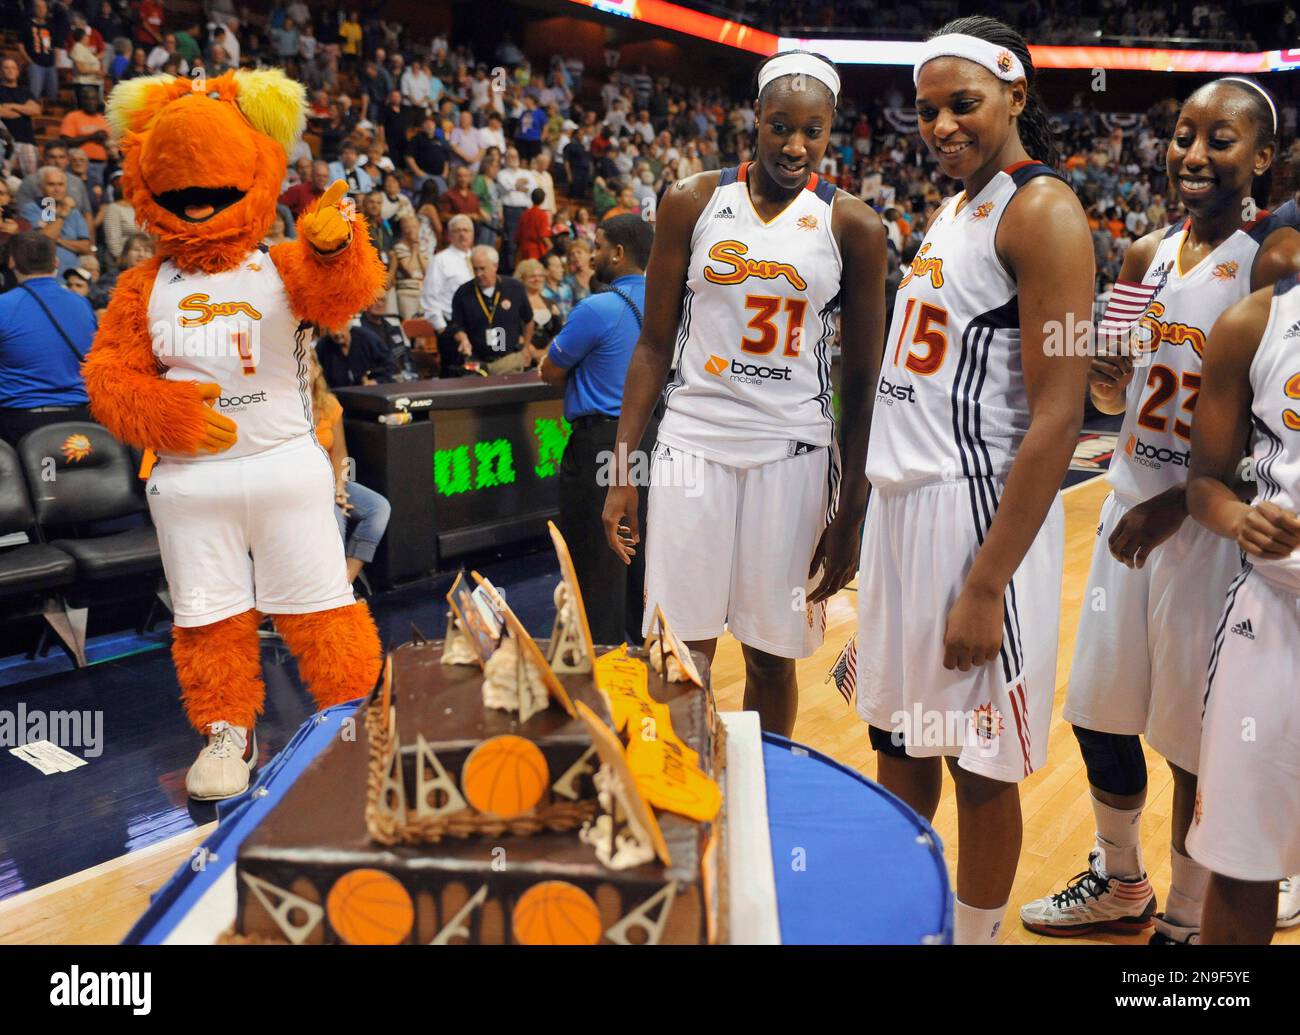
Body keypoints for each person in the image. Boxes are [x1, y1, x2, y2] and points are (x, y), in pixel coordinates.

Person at [1020, 77, 1300, 944]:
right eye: (1184, 135)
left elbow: (1264, 440)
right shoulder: (1143, 255)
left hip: (1211, 532)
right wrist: (1103, 370)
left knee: (1190, 740)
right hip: (1127, 505)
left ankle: (1190, 913)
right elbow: (1114, 381)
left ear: (1261, 158)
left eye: (1221, 140)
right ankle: (1120, 877)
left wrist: (1181, 505)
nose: (1194, 154)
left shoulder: (1272, 260)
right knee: (1099, 711)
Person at [852, 19, 1093, 945]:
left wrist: (986, 581)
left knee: (980, 765)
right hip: (906, 511)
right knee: (899, 739)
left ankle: (975, 936)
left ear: (1015, 96)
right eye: (927, 110)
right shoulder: (957, 206)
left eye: (964, 105)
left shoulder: (1042, 210)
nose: (942, 125)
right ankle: (896, 921)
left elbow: (1059, 417)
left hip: (975, 513)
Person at [602, 50, 885, 740]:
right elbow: (652, 346)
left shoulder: (855, 227)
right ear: (754, 120)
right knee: (680, 646)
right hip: (691, 445)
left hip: (793, 455)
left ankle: (768, 795)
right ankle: (679, 794)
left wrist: (851, 512)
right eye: (780, 126)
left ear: (830, 133)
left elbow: (863, 378)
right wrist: (622, 470)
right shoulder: (692, 201)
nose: (794, 145)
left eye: (812, 131)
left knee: (769, 656)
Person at [1184, 250, 1300, 946]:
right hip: (1274, 617)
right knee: (1240, 860)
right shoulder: (1257, 320)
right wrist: (1239, 518)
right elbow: (1205, 482)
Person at [540, 216, 654, 644]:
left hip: (600, 445)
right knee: (641, 558)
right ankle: (648, 669)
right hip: (654, 440)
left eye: (598, 245)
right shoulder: (670, 305)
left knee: (594, 563)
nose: (591, 254)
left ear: (619, 253)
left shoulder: (598, 307)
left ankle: (602, 674)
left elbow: (549, 369)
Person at [0, 233, 96, 446]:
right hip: (83, 423)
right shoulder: (82, 304)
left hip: (22, 424)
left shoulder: (3, 307)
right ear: (56, 262)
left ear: (12, 261)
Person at [447, 244, 535, 375]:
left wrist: (526, 347)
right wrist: (463, 339)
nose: (478, 274)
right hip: (477, 361)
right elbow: (456, 325)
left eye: (482, 269)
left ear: (495, 266)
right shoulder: (463, 292)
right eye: (475, 269)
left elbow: (528, 319)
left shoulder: (514, 288)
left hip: (509, 360)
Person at [421, 213, 474, 370]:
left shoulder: (479, 257)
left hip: (477, 326)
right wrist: (441, 328)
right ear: (450, 235)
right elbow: (429, 296)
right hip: (451, 327)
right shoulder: (441, 260)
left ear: (473, 234)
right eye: (457, 230)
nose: (462, 234)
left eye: (466, 230)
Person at [20, 166, 92, 273]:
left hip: (71, 276)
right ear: (40, 188)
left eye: (60, 184)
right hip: (43, 274)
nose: (57, 189)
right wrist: (63, 214)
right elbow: (45, 240)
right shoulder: (31, 208)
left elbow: (86, 247)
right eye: (51, 184)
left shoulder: (74, 212)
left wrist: (58, 240)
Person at [0, 57, 41, 178]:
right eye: (6, 68)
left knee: (32, 179)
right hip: (3, 143)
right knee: (2, 179)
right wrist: (24, 109)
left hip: (27, 141)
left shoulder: (25, 90)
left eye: (13, 68)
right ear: (1, 71)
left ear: (18, 71)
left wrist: (11, 106)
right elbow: (2, 113)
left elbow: (35, 110)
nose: (10, 70)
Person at [515, 187, 552, 265]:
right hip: (536, 251)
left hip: (524, 249)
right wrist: (550, 246)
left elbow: (518, 233)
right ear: (543, 200)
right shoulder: (542, 215)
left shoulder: (524, 213)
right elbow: (543, 235)